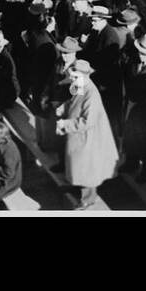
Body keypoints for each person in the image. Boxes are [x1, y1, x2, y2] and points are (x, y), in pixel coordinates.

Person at [55, 58, 117, 209]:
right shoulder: (81, 85)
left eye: (75, 77)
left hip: (88, 137)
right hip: (79, 135)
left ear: (85, 75)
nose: (73, 81)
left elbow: (87, 122)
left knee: (86, 168)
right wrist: (63, 107)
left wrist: (65, 124)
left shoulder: (92, 94)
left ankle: (88, 199)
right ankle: (77, 186)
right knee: (77, 165)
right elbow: (73, 101)